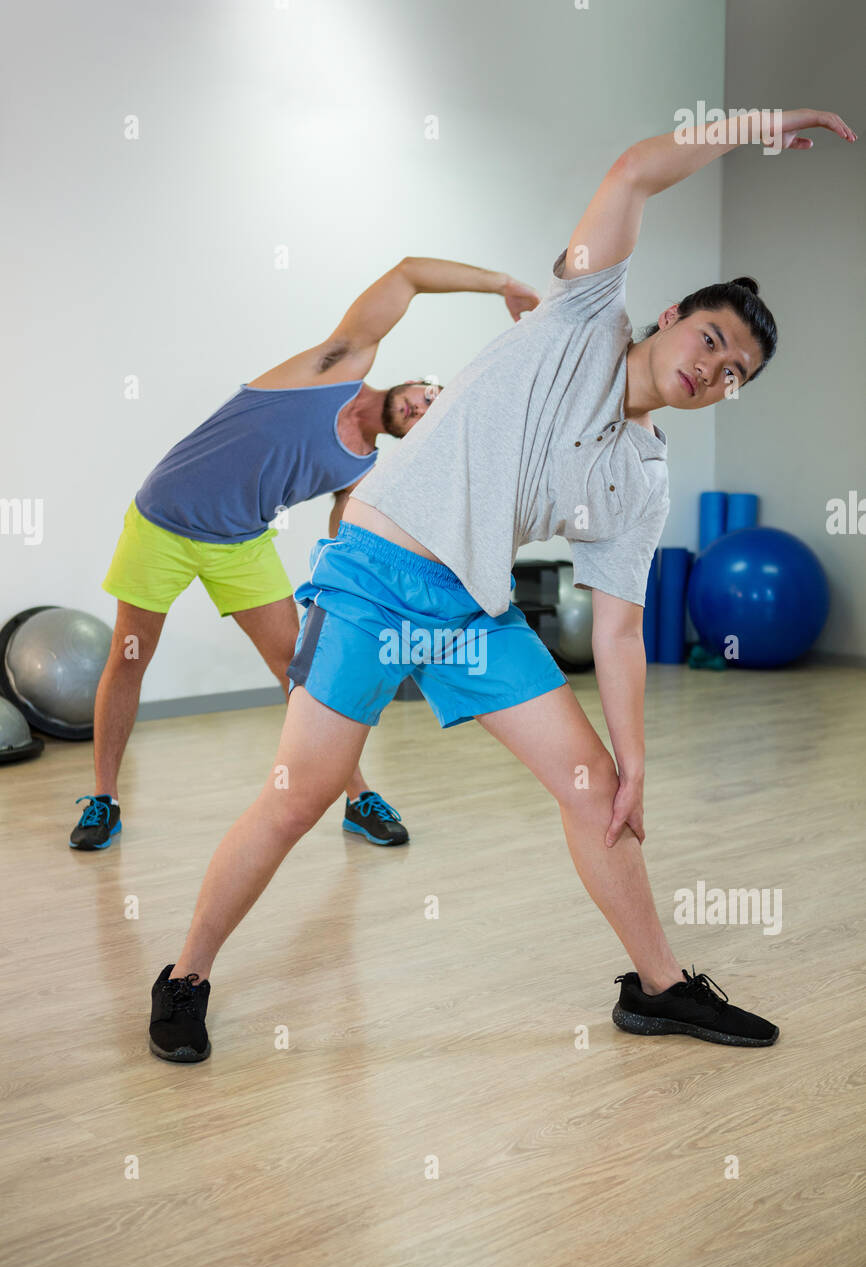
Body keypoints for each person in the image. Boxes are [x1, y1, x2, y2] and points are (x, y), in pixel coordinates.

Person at [148, 107, 856, 1062]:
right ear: (672, 317)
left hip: (469, 608)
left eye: (735, 374)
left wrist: (633, 758)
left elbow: (616, 628)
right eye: (712, 340)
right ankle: (185, 975)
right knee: (299, 796)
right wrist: (760, 125)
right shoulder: (581, 317)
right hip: (373, 576)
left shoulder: (643, 477)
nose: (713, 369)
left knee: (593, 785)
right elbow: (636, 169)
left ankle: (658, 990)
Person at [69, 256, 538, 851]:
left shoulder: (362, 470)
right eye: (429, 394)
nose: (422, 407)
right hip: (160, 520)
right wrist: (505, 284)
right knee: (129, 656)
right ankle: (103, 801)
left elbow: (347, 540)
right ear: (417, 382)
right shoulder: (334, 365)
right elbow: (409, 274)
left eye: (431, 416)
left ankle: (357, 797)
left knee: (303, 670)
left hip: (241, 544)